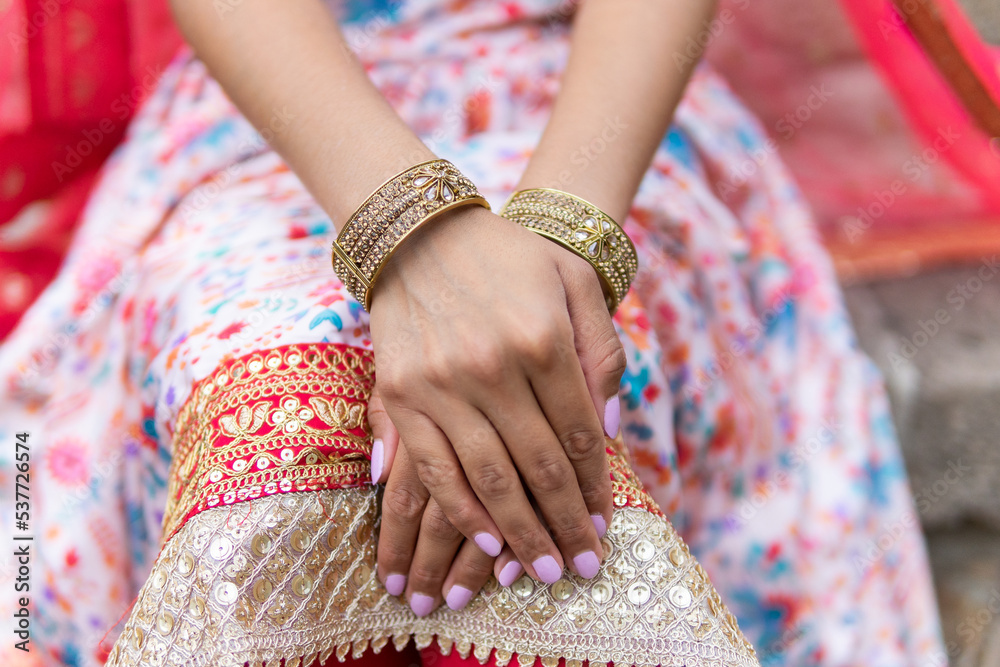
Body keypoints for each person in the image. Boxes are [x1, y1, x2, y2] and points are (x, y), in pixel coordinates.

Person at [0, 0, 946, 665]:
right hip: (286, 111)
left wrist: (567, 247)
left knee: (571, 405)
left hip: (593, 117)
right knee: (281, 427)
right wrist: (408, 229)